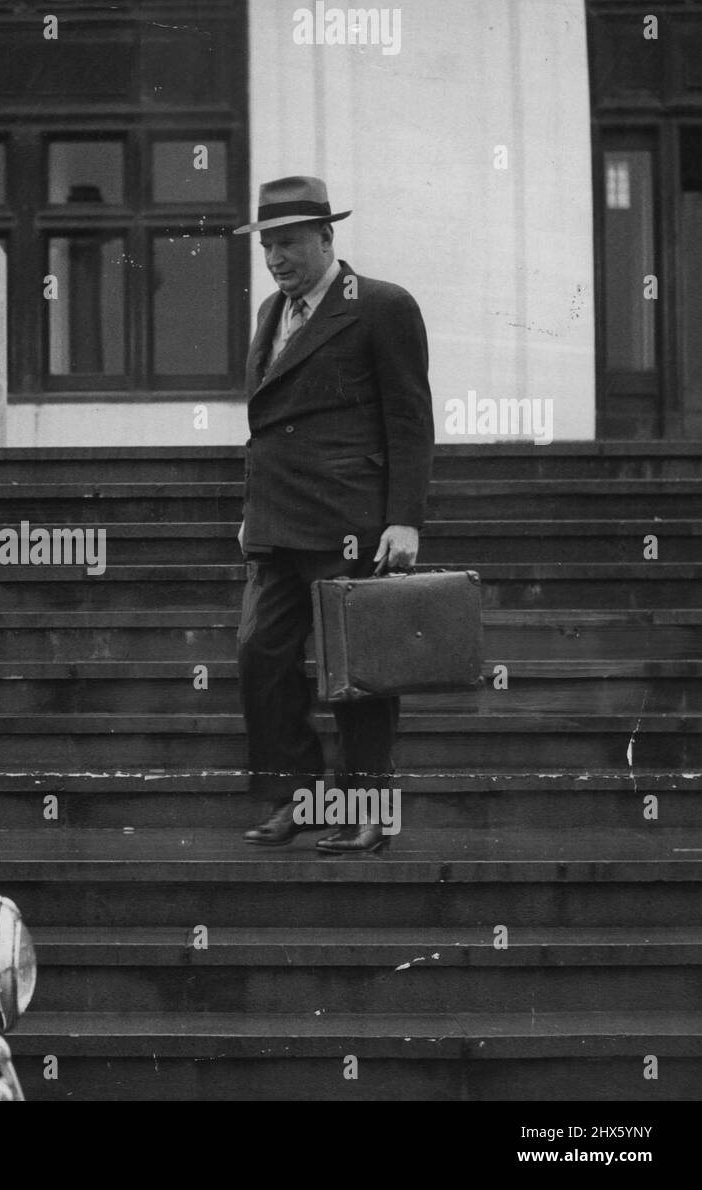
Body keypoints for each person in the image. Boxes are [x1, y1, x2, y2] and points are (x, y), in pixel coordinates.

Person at [233, 176, 434, 853]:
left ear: (326, 238)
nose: (277, 258)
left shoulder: (380, 306)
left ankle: (368, 811)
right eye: (268, 246)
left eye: (289, 243)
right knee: (260, 654)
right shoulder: (271, 312)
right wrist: (249, 510)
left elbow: (409, 418)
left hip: (351, 520)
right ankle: (300, 796)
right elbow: (266, 425)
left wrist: (404, 517)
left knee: (359, 670)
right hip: (274, 523)